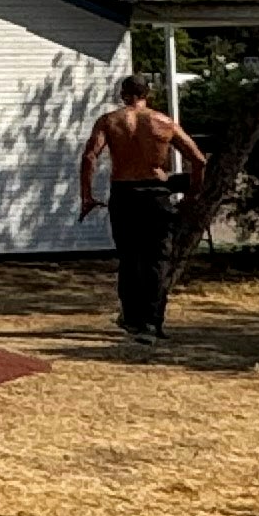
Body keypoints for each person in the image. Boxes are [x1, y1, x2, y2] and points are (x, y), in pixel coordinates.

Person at [78, 74, 201, 341]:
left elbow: (90, 156)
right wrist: (193, 193)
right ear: (148, 94)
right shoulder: (164, 122)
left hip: (124, 193)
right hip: (156, 193)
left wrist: (87, 195)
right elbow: (198, 159)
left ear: (124, 94)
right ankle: (151, 323)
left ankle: (133, 318)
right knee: (157, 260)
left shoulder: (110, 121)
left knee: (130, 257)